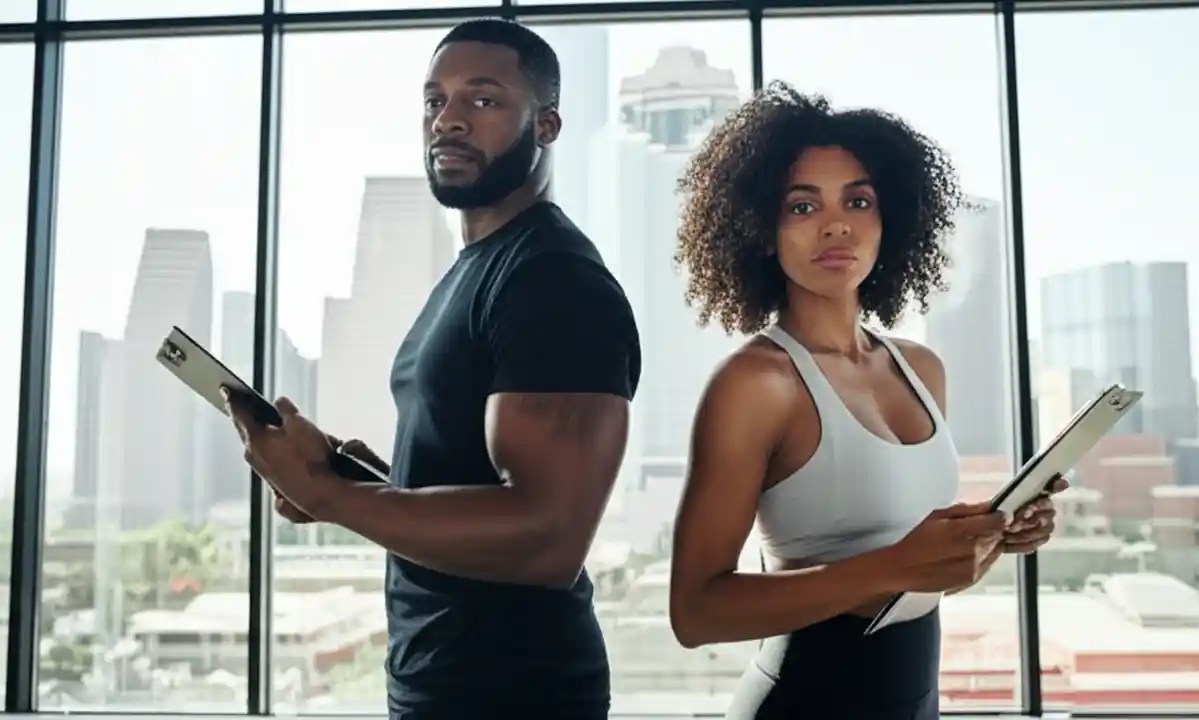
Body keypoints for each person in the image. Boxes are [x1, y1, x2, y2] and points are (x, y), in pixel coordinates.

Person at [223, 18, 641, 719]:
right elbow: (474, 486)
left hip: (514, 696)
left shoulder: (554, 279)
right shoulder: (477, 269)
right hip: (440, 685)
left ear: (546, 125)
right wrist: (361, 481)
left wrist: (328, 497)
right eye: (434, 101)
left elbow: (547, 538)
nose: (448, 119)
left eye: (482, 99)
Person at [666, 81, 1066, 719]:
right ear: (763, 230)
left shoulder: (921, 369)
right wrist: (895, 565)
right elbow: (695, 613)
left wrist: (994, 537)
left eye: (859, 201)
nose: (836, 224)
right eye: (803, 206)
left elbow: (911, 583)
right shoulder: (755, 384)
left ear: (889, 221)